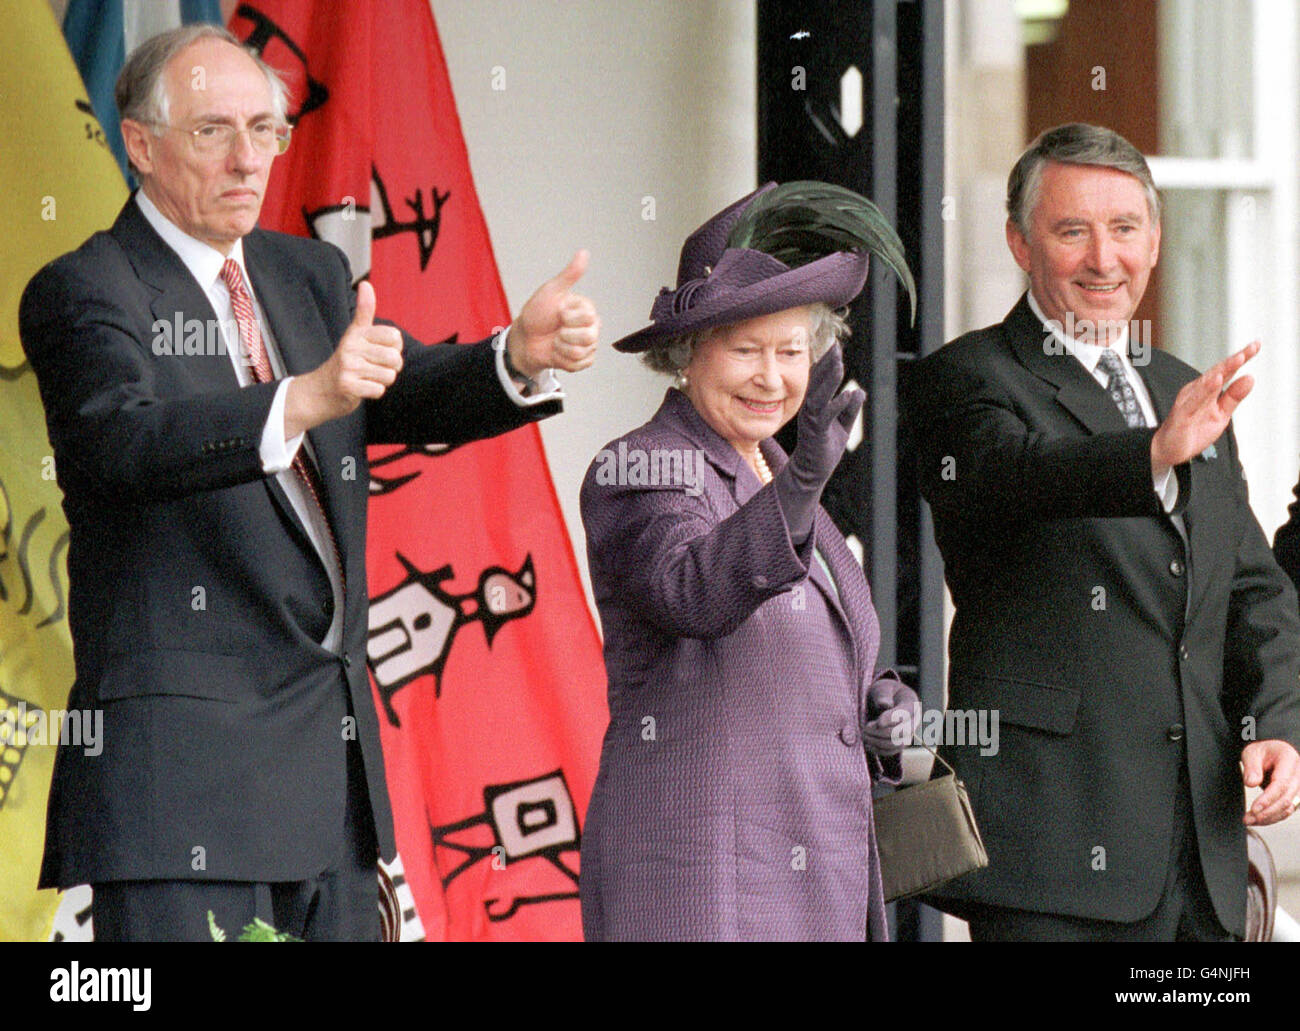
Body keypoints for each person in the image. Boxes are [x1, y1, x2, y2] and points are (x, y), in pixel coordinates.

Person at [18, 25, 600, 942]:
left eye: (266, 128)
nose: (249, 159)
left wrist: (512, 359)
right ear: (140, 144)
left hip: (331, 789)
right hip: (182, 798)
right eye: (214, 131)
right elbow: (124, 444)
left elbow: (395, 388)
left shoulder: (308, 271)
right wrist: (299, 399)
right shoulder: (86, 289)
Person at [902, 123, 1300, 941]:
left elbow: (1252, 588)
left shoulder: (1184, 388)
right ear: (1019, 241)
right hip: (1053, 854)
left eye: (1124, 228)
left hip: (1202, 856)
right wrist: (1152, 453)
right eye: (1070, 229)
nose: (1102, 258)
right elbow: (1015, 474)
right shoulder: (966, 377)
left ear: (1154, 241)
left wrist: (1280, 723)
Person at [579, 181, 919, 941]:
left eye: (791, 351)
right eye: (746, 350)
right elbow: (690, 589)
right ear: (687, 353)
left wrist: (886, 702)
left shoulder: (774, 468)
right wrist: (802, 484)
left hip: (819, 880)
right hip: (703, 887)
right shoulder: (642, 466)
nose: (772, 377)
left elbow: (814, 649)